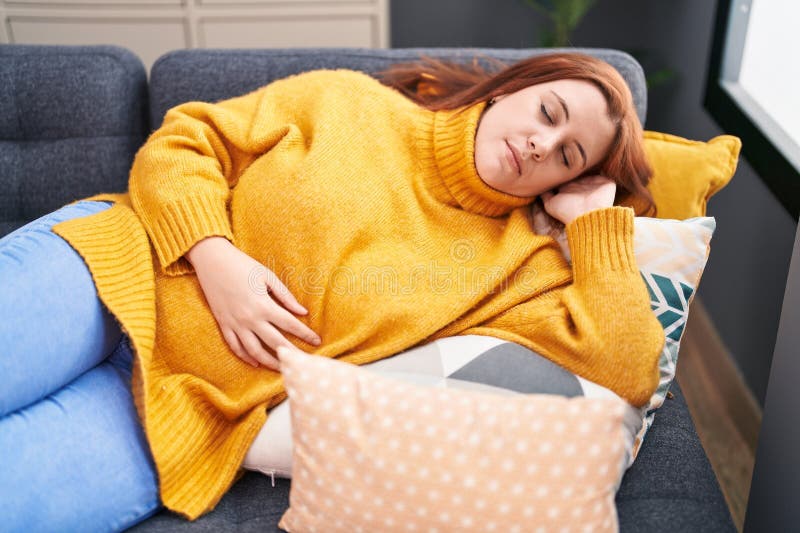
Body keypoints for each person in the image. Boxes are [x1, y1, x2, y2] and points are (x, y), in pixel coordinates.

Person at [0, 52, 665, 530]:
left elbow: (627, 365)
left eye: (569, 155)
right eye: (547, 112)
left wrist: (596, 227)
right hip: (116, 264)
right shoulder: (351, 99)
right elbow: (184, 140)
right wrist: (215, 256)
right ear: (511, 89)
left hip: (189, 408)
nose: (540, 142)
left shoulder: (515, 264)